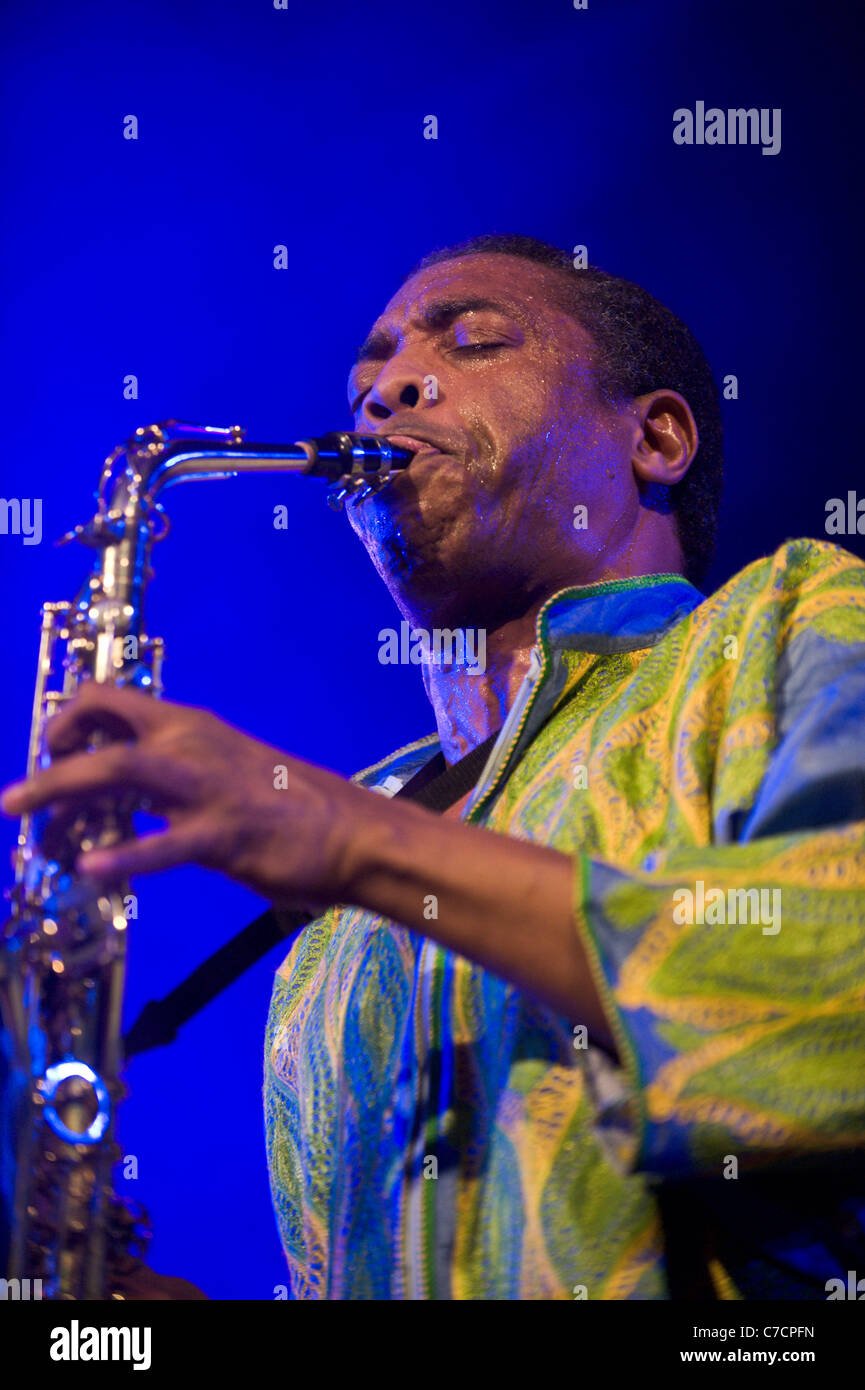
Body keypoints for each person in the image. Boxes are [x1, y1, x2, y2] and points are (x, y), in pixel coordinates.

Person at [3, 235, 864, 1301]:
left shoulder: (790, 621)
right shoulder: (338, 897)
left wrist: (361, 846)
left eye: (473, 342)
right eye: (366, 381)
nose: (386, 392)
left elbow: (837, 998)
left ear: (656, 438)